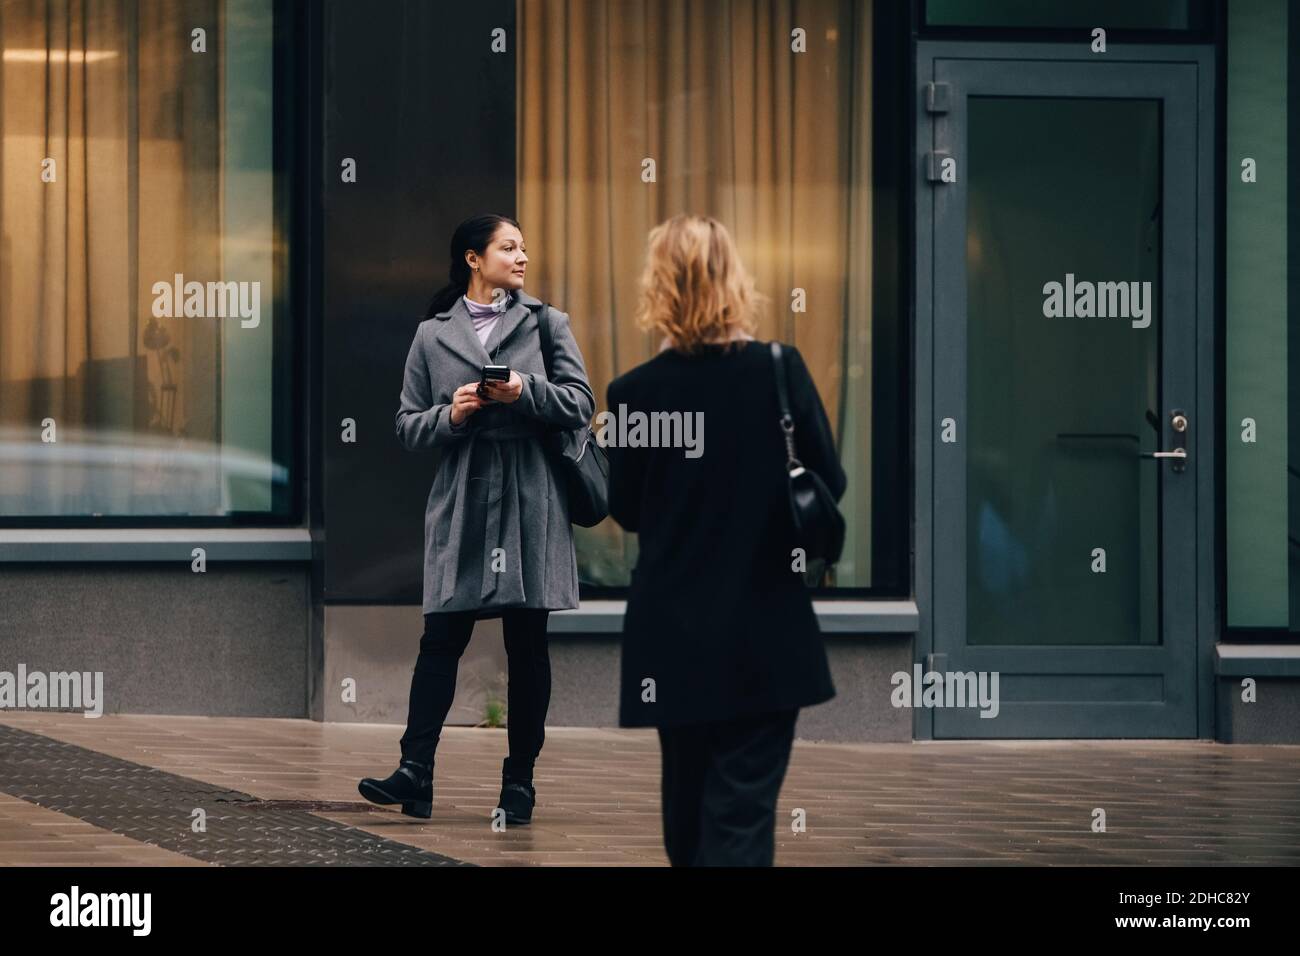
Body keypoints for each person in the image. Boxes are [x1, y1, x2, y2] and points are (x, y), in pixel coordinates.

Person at [605, 214, 846, 865]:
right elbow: (830, 482)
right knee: (738, 819)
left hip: (672, 637)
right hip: (765, 635)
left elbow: (624, 510)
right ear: (734, 280)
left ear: (658, 286)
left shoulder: (632, 394)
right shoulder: (778, 371)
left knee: (685, 819)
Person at [359, 214, 595, 825]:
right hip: (463, 495)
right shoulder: (432, 335)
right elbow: (407, 424)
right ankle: (415, 772)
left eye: (524, 248)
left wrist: (526, 391)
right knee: (441, 637)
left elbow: (582, 403)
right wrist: (452, 414)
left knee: (527, 643)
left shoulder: (547, 322)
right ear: (473, 258)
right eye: (507, 247)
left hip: (530, 494)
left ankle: (519, 783)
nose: (521, 257)